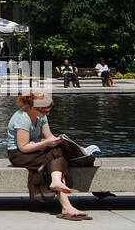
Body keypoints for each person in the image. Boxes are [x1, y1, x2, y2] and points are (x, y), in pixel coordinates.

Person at [6, 92, 90, 220]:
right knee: (57, 157)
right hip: (19, 154)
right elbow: (23, 147)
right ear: (33, 108)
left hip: (35, 151)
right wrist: (46, 143)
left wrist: (74, 146)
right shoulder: (22, 118)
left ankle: (61, 192)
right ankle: (65, 204)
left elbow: (49, 137)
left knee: (58, 152)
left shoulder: (41, 117)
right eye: (45, 112)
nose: (47, 114)